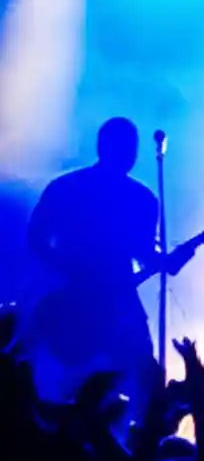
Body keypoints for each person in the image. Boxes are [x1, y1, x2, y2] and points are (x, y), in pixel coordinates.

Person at [22, 117, 164, 416]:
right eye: (123, 146)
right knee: (28, 349)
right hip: (68, 291)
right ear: (103, 146)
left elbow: (143, 253)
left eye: (132, 148)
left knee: (144, 366)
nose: (128, 154)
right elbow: (36, 237)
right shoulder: (67, 188)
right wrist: (66, 271)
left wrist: (169, 260)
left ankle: (141, 430)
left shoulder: (143, 199)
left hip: (114, 293)